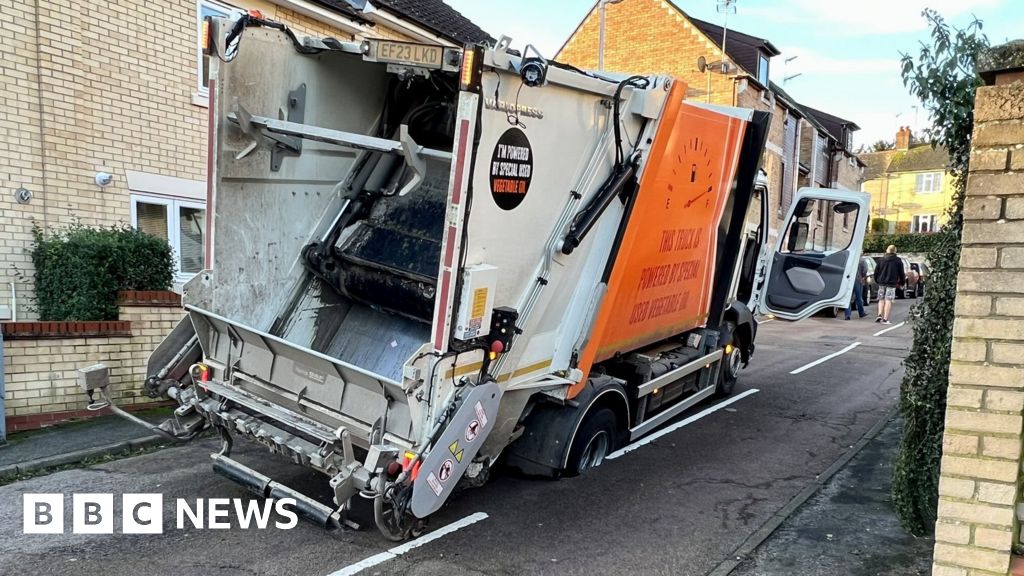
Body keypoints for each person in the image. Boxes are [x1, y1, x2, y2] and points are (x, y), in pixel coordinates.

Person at [874, 245, 906, 325]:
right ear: (895, 251)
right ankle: (885, 319)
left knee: (881, 299)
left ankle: (879, 315)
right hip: (891, 283)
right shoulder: (898, 261)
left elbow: (876, 272)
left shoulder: (881, 260)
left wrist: (877, 280)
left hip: (881, 283)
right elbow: (901, 273)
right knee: (888, 300)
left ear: (887, 250)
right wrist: (902, 283)